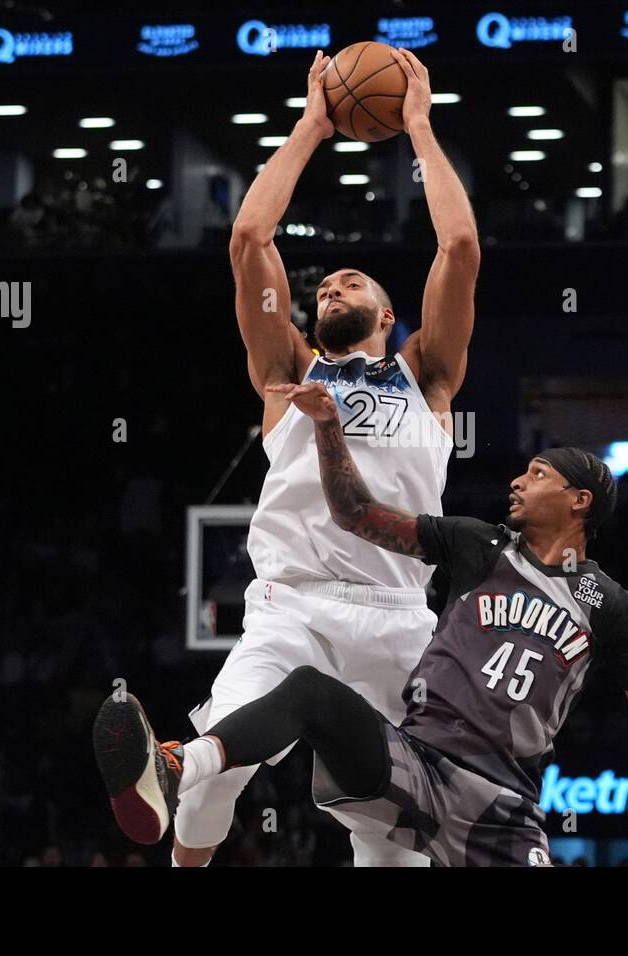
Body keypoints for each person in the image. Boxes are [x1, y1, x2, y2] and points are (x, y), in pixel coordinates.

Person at [95, 383, 628, 866]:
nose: (517, 479)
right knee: (311, 690)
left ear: (579, 501)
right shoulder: (480, 545)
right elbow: (355, 513)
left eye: (538, 475)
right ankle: (180, 769)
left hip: (502, 802)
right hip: (415, 764)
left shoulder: (612, 604)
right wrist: (328, 427)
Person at [123, 47, 479, 867]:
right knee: (212, 776)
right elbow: (251, 237)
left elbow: (459, 249)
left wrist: (420, 127)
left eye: (353, 283)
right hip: (293, 606)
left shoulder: (427, 377)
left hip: (399, 619)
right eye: (325, 288)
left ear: (391, 316)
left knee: (401, 835)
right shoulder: (287, 374)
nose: (333, 287)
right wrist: (314, 123)